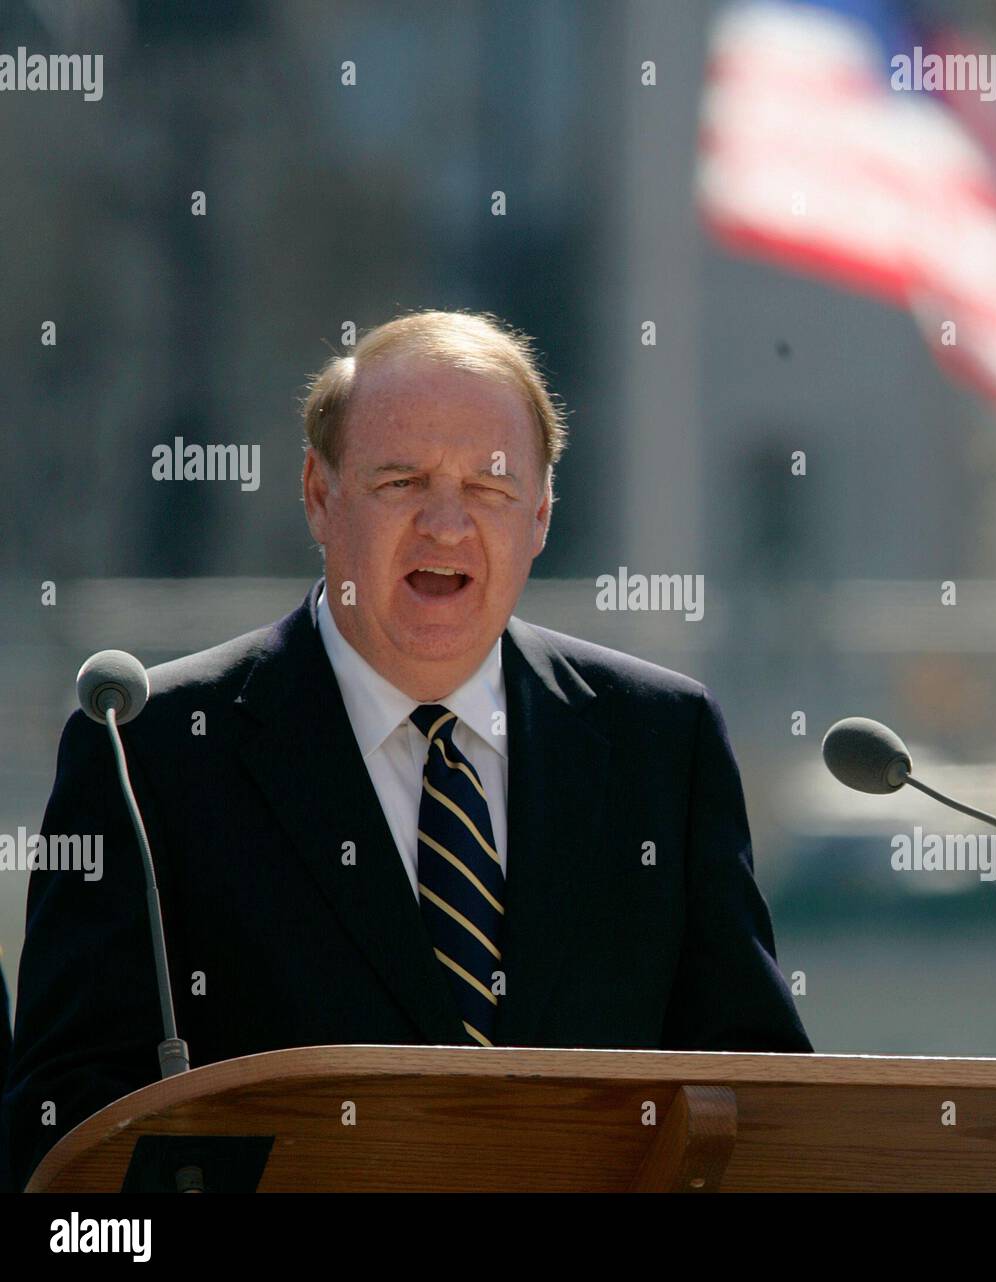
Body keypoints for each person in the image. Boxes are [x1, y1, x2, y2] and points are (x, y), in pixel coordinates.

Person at [1, 309, 811, 1191]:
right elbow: (62, 1123)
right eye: (401, 481)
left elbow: (762, 1097)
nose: (447, 525)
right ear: (319, 493)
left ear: (540, 515)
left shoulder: (662, 742)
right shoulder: (147, 752)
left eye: (491, 488)